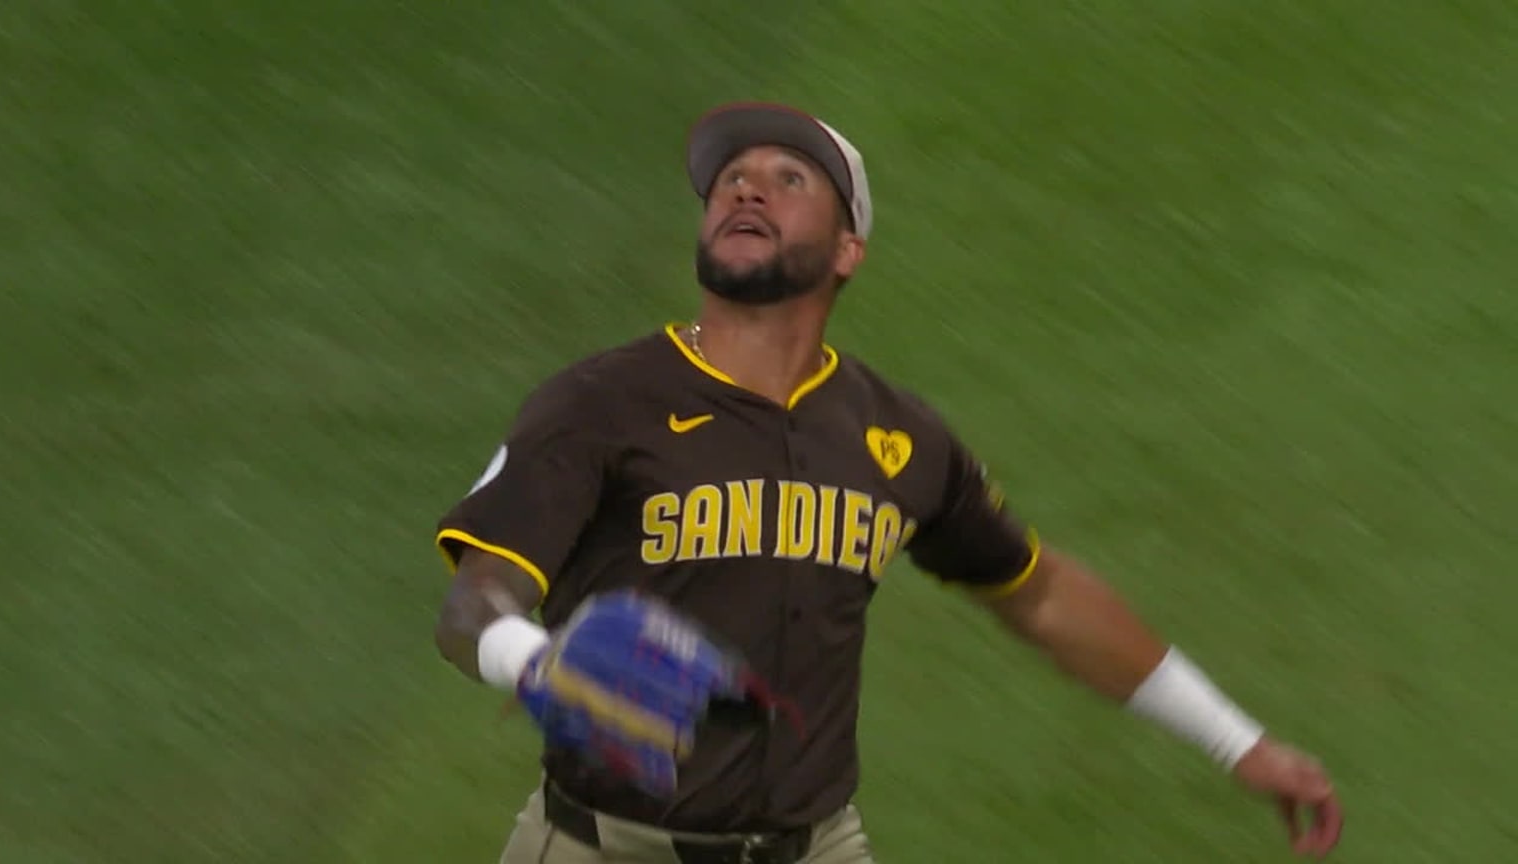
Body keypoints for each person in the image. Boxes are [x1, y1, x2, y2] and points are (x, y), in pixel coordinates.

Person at [431, 101, 1344, 863]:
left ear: (848, 250)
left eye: (790, 179)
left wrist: (1238, 742)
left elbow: (1041, 594)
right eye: (731, 178)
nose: (745, 188)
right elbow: (472, 605)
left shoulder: (898, 436)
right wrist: (532, 660)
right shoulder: (600, 402)